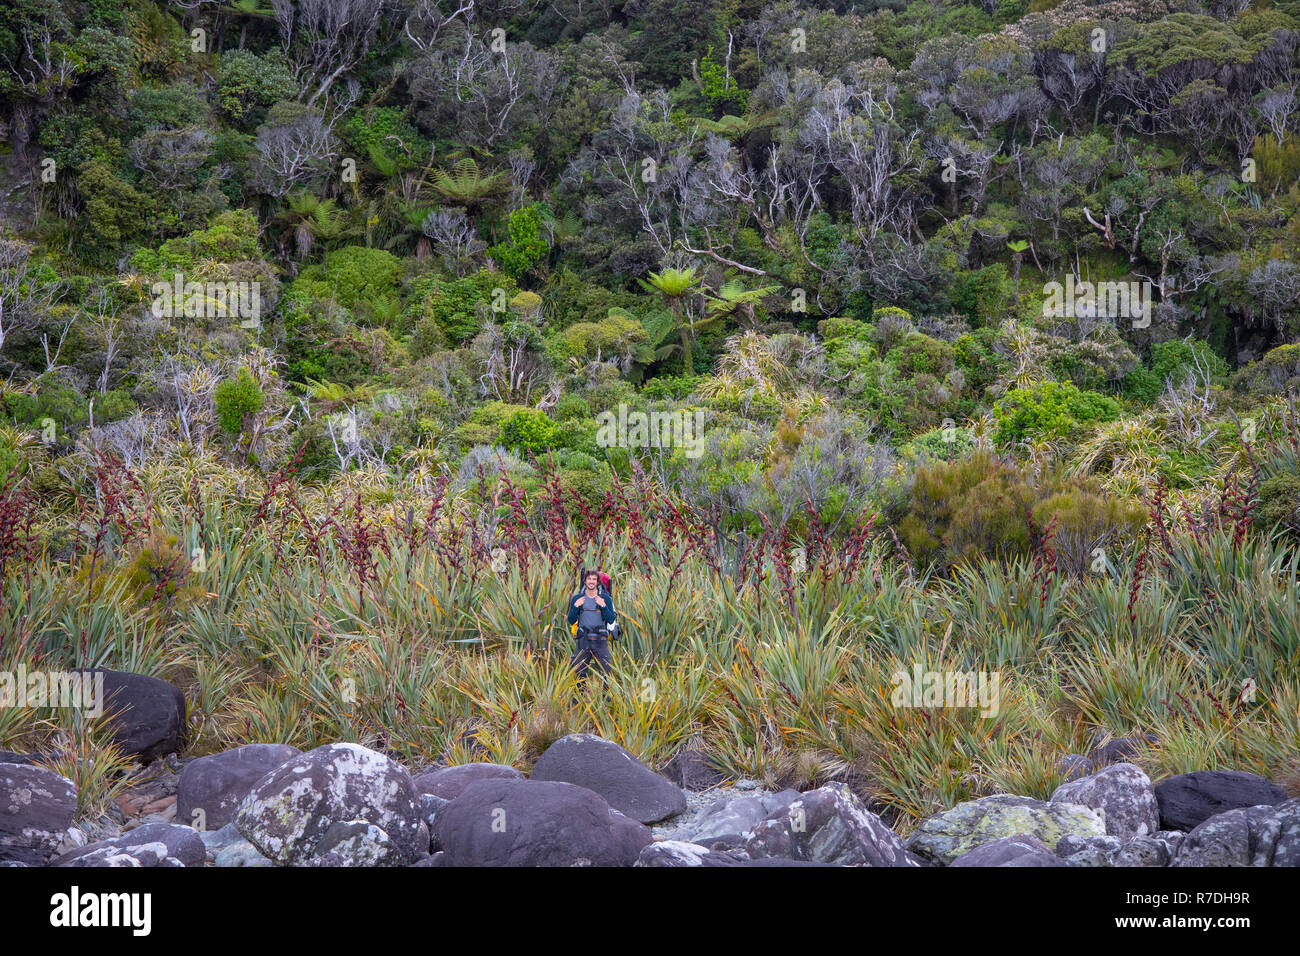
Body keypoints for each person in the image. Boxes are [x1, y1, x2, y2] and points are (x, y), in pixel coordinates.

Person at [567, 568, 616, 687]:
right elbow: (571, 620)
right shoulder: (577, 598)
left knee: (606, 675)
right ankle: (578, 702)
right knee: (579, 675)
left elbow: (611, 619)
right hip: (583, 641)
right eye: (589, 579)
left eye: (594, 579)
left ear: (598, 582)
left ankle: (606, 703)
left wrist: (603, 606)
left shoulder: (606, 599)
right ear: (585, 581)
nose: (591, 581)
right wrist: (575, 606)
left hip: (600, 641)